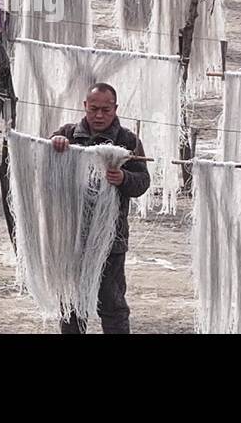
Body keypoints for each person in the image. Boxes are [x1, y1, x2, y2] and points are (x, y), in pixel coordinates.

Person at [50, 82, 149, 334]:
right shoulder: (69, 134)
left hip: (111, 240)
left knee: (112, 304)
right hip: (73, 236)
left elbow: (143, 182)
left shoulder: (128, 141)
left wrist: (124, 179)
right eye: (94, 109)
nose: (99, 115)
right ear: (85, 106)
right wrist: (55, 144)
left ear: (115, 109)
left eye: (106, 110)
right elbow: (45, 164)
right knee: (72, 303)